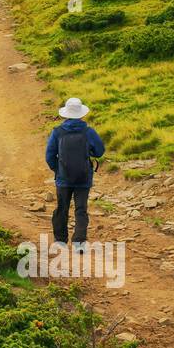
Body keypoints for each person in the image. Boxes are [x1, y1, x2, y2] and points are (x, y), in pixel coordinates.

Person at [45, 97, 105, 247]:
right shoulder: (88, 132)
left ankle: (60, 240)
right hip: (83, 177)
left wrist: (58, 170)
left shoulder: (57, 132)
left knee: (62, 208)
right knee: (81, 209)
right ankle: (79, 241)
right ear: (81, 114)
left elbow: (49, 155)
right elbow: (99, 151)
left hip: (63, 178)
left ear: (66, 113)